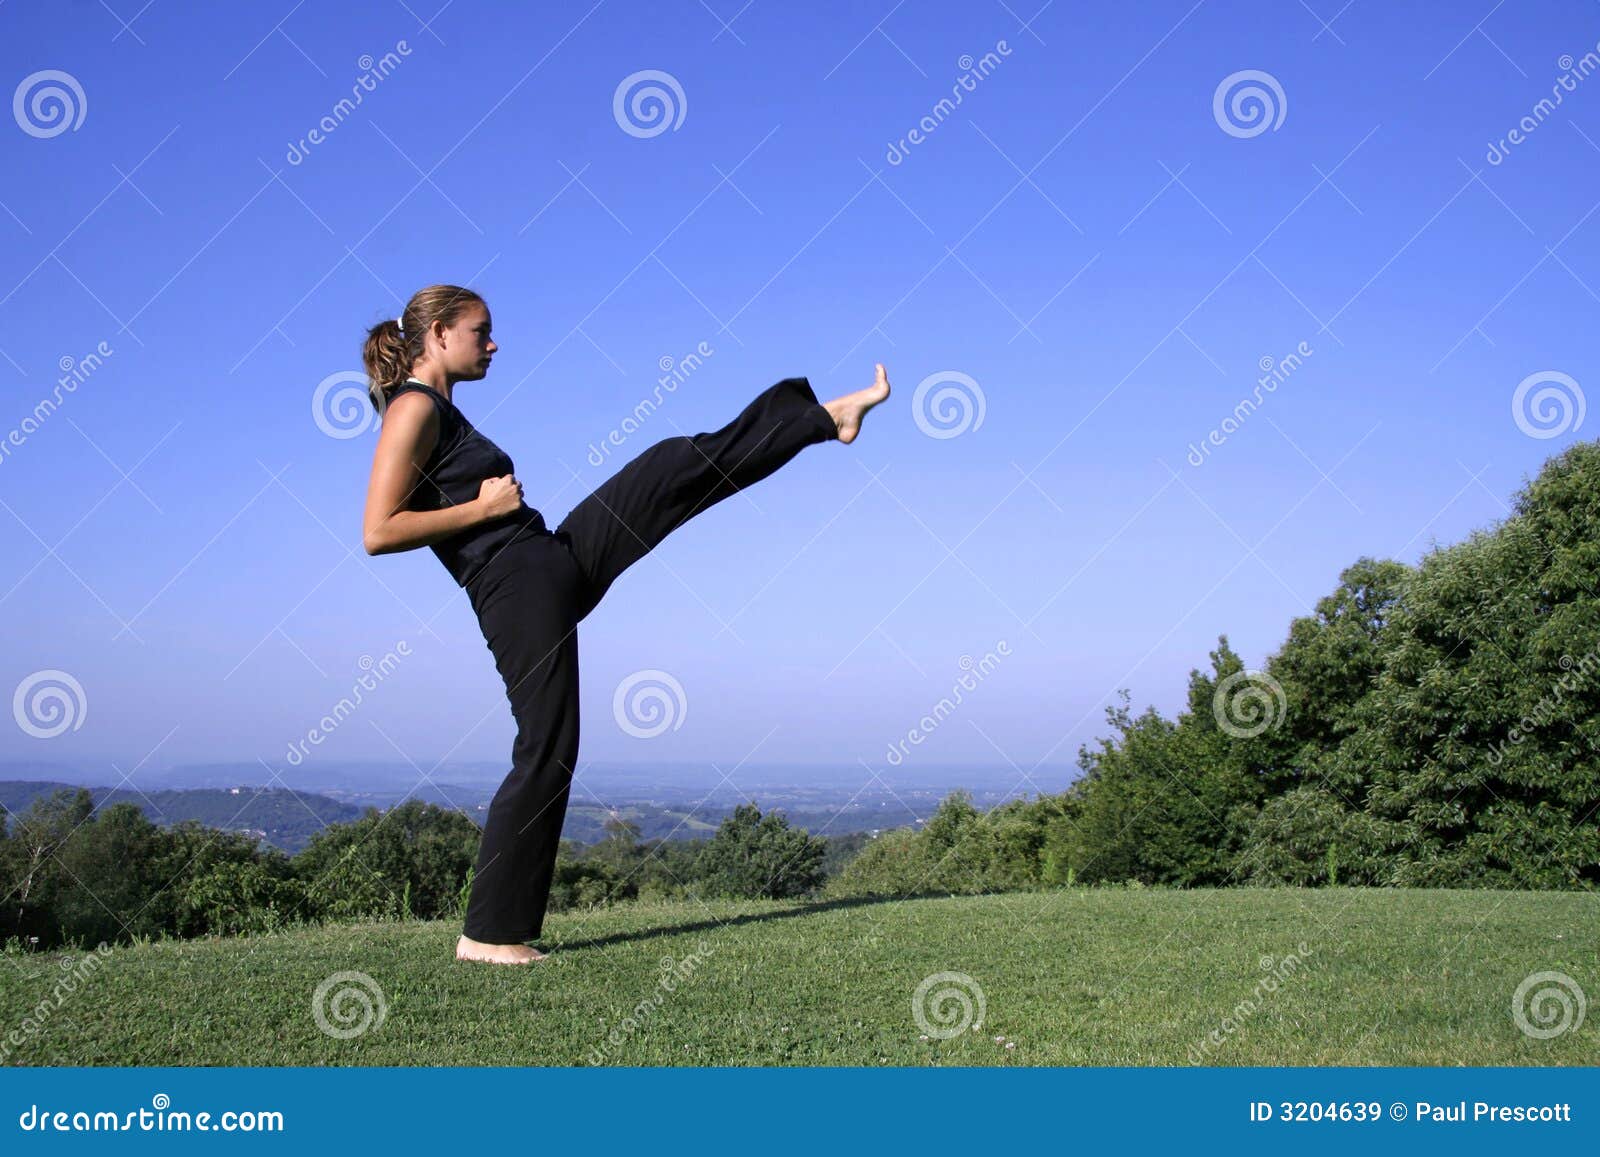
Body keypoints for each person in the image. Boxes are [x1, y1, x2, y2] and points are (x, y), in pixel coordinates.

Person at [360, 284, 891, 964]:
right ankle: (489, 933)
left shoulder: (438, 407)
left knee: (671, 464)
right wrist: (485, 509)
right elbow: (379, 530)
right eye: (480, 330)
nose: (492, 344)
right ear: (437, 334)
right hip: (516, 586)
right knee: (547, 745)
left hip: (551, 557)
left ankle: (821, 417)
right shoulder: (411, 408)